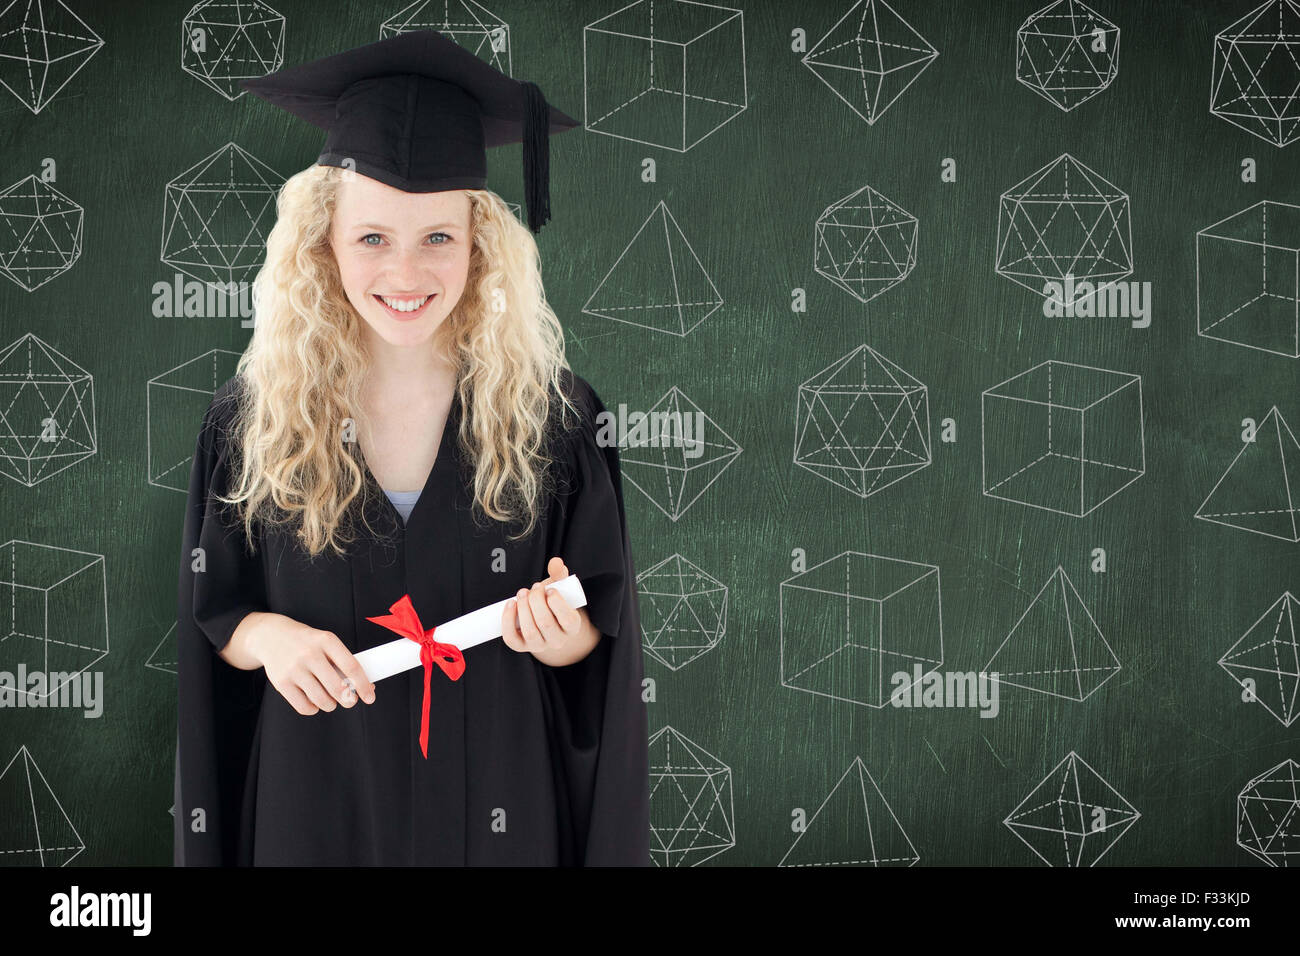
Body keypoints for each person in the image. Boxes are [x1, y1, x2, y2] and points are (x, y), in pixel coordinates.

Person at [173, 30, 650, 866]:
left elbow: (598, 634)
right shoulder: (252, 422)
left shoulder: (555, 421)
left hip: (499, 806)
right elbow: (217, 614)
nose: (406, 271)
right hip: (314, 803)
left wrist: (556, 632)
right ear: (322, 246)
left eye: (438, 237)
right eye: (372, 239)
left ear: (481, 247)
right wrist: (270, 639)